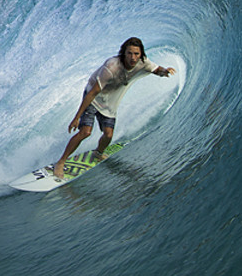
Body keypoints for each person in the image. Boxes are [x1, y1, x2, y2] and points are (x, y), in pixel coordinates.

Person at [52, 37, 175, 179]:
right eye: (129, 53)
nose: (133, 57)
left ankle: (98, 153)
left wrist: (165, 72)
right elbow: (93, 92)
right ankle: (61, 162)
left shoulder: (143, 62)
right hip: (93, 97)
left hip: (110, 102)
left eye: (136, 54)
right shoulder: (111, 67)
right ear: (124, 53)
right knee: (85, 132)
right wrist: (77, 117)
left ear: (141, 54)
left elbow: (156, 69)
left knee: (108, 134)